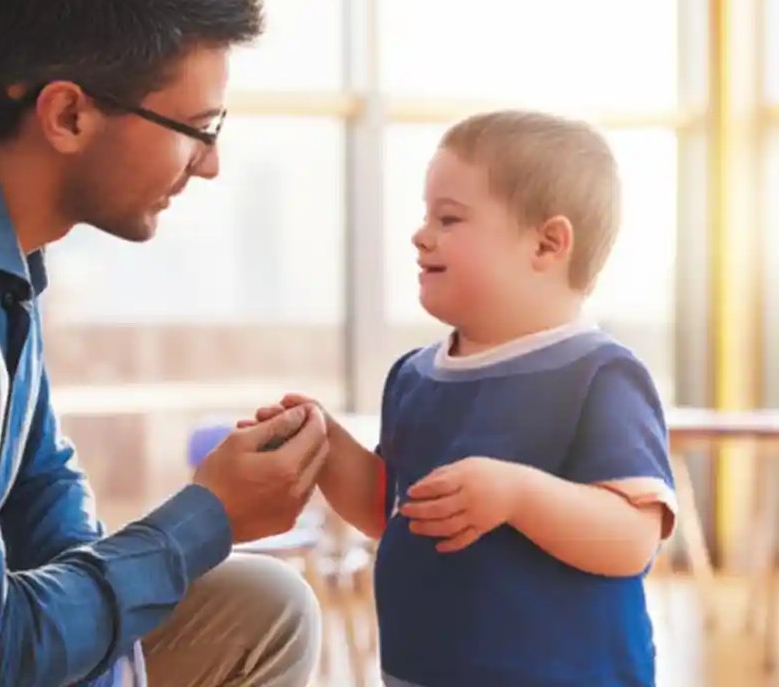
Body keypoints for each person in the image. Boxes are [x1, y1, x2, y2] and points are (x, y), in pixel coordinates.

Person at [0, 0, 329, 685]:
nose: (209, 164)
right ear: (69, 116)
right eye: (196, 130)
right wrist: (208, 516)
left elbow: (45, 495)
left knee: (263, 608)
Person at [249, 111, 678, 686]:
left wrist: (519, 495)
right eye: (426, 215)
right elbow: (395, 510)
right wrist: (326, 447)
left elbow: (633, 539)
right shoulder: (414, 375)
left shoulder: (600, 374)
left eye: (449, 218)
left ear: (548, 244)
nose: (421, 234)